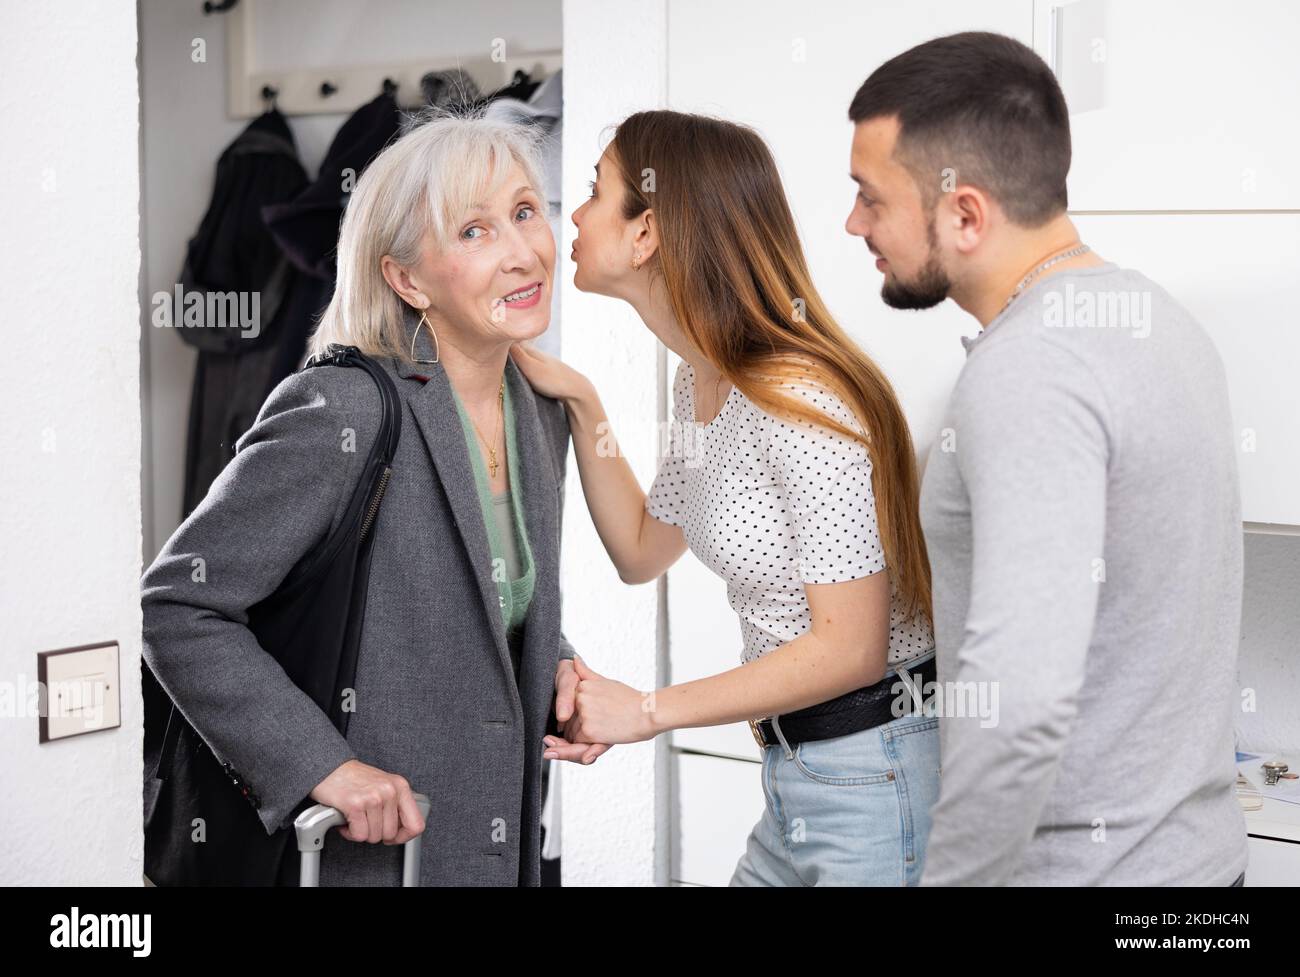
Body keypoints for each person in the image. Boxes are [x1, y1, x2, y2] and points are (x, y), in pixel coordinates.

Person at [845, 31, 1248, 885]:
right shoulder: (1160, 321)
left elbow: (1017, 702)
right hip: (1201, 878)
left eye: (870, 197)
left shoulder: (1029, 370)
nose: (854, 224)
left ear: (964, 212)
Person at [142, 109, 585, 886]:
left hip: (492, 852)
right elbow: (180, 604)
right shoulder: (343, 408)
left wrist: (558, 667)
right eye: (474, 232)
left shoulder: (539, 410)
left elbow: (468, 602)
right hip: (362, 864)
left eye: (522, 213)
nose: (522, 253)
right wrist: (324, 766)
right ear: (406, 277)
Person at [514, 110, 940, 885]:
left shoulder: (797, 397)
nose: (570, 214)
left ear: (646, 233)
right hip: (799, 774)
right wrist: (582, 403)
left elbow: (853, 646)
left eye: (593, 191)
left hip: (873, 773)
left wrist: (644, 709)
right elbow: (643, 549)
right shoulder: (700, 381)